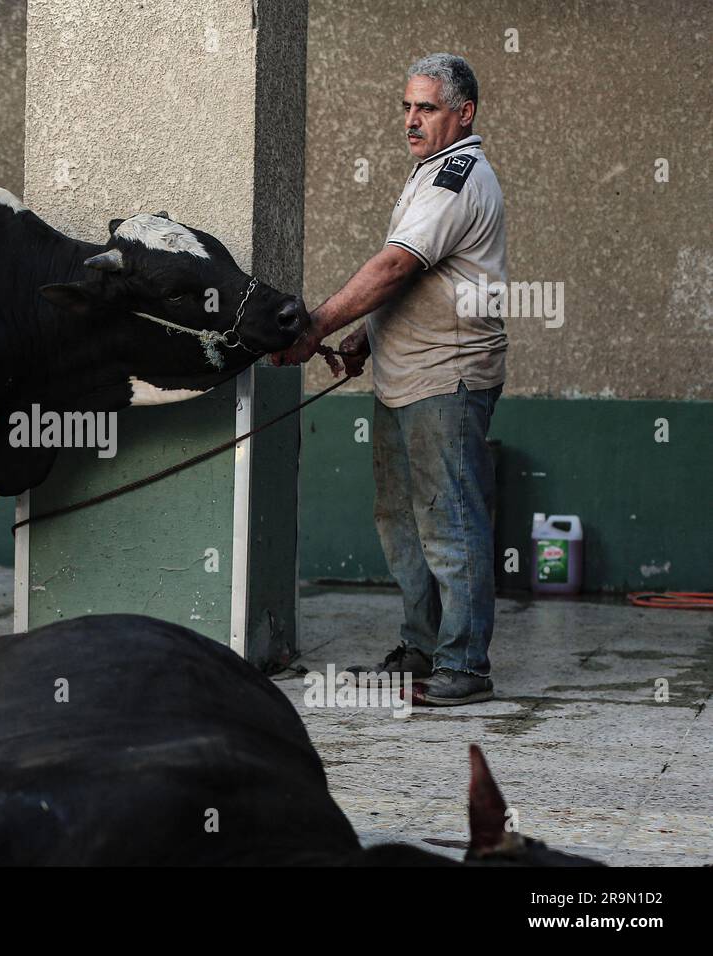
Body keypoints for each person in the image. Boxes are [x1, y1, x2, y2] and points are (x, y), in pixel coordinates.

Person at [274, 54, 508, 706]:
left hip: (447, 377)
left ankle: (464, 666)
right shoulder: (427, 173)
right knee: (401, 521)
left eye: (426, 108)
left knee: (448, 523)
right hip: (404, 376)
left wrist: (315, 325)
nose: (411, 119)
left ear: (464, 114)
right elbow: (414, 282)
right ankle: (422, 648)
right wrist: (362, 340)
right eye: (407, 106)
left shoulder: (458, 177)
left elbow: (395, 267)